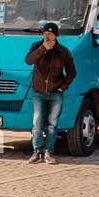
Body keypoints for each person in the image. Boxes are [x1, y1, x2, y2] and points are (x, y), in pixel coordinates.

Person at [23, 22, 76, 164]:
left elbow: (72, 72)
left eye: (50, 34)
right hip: (38, 92)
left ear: (56, 36)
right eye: (45, 33)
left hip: (55, 93)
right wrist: (42, 49)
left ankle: (48, 152)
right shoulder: (36, 46)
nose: (47, 36)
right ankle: (37, 151)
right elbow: (28, 61)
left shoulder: (63, 51)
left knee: (52, 124)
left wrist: (63, 87)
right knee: (37, 122)